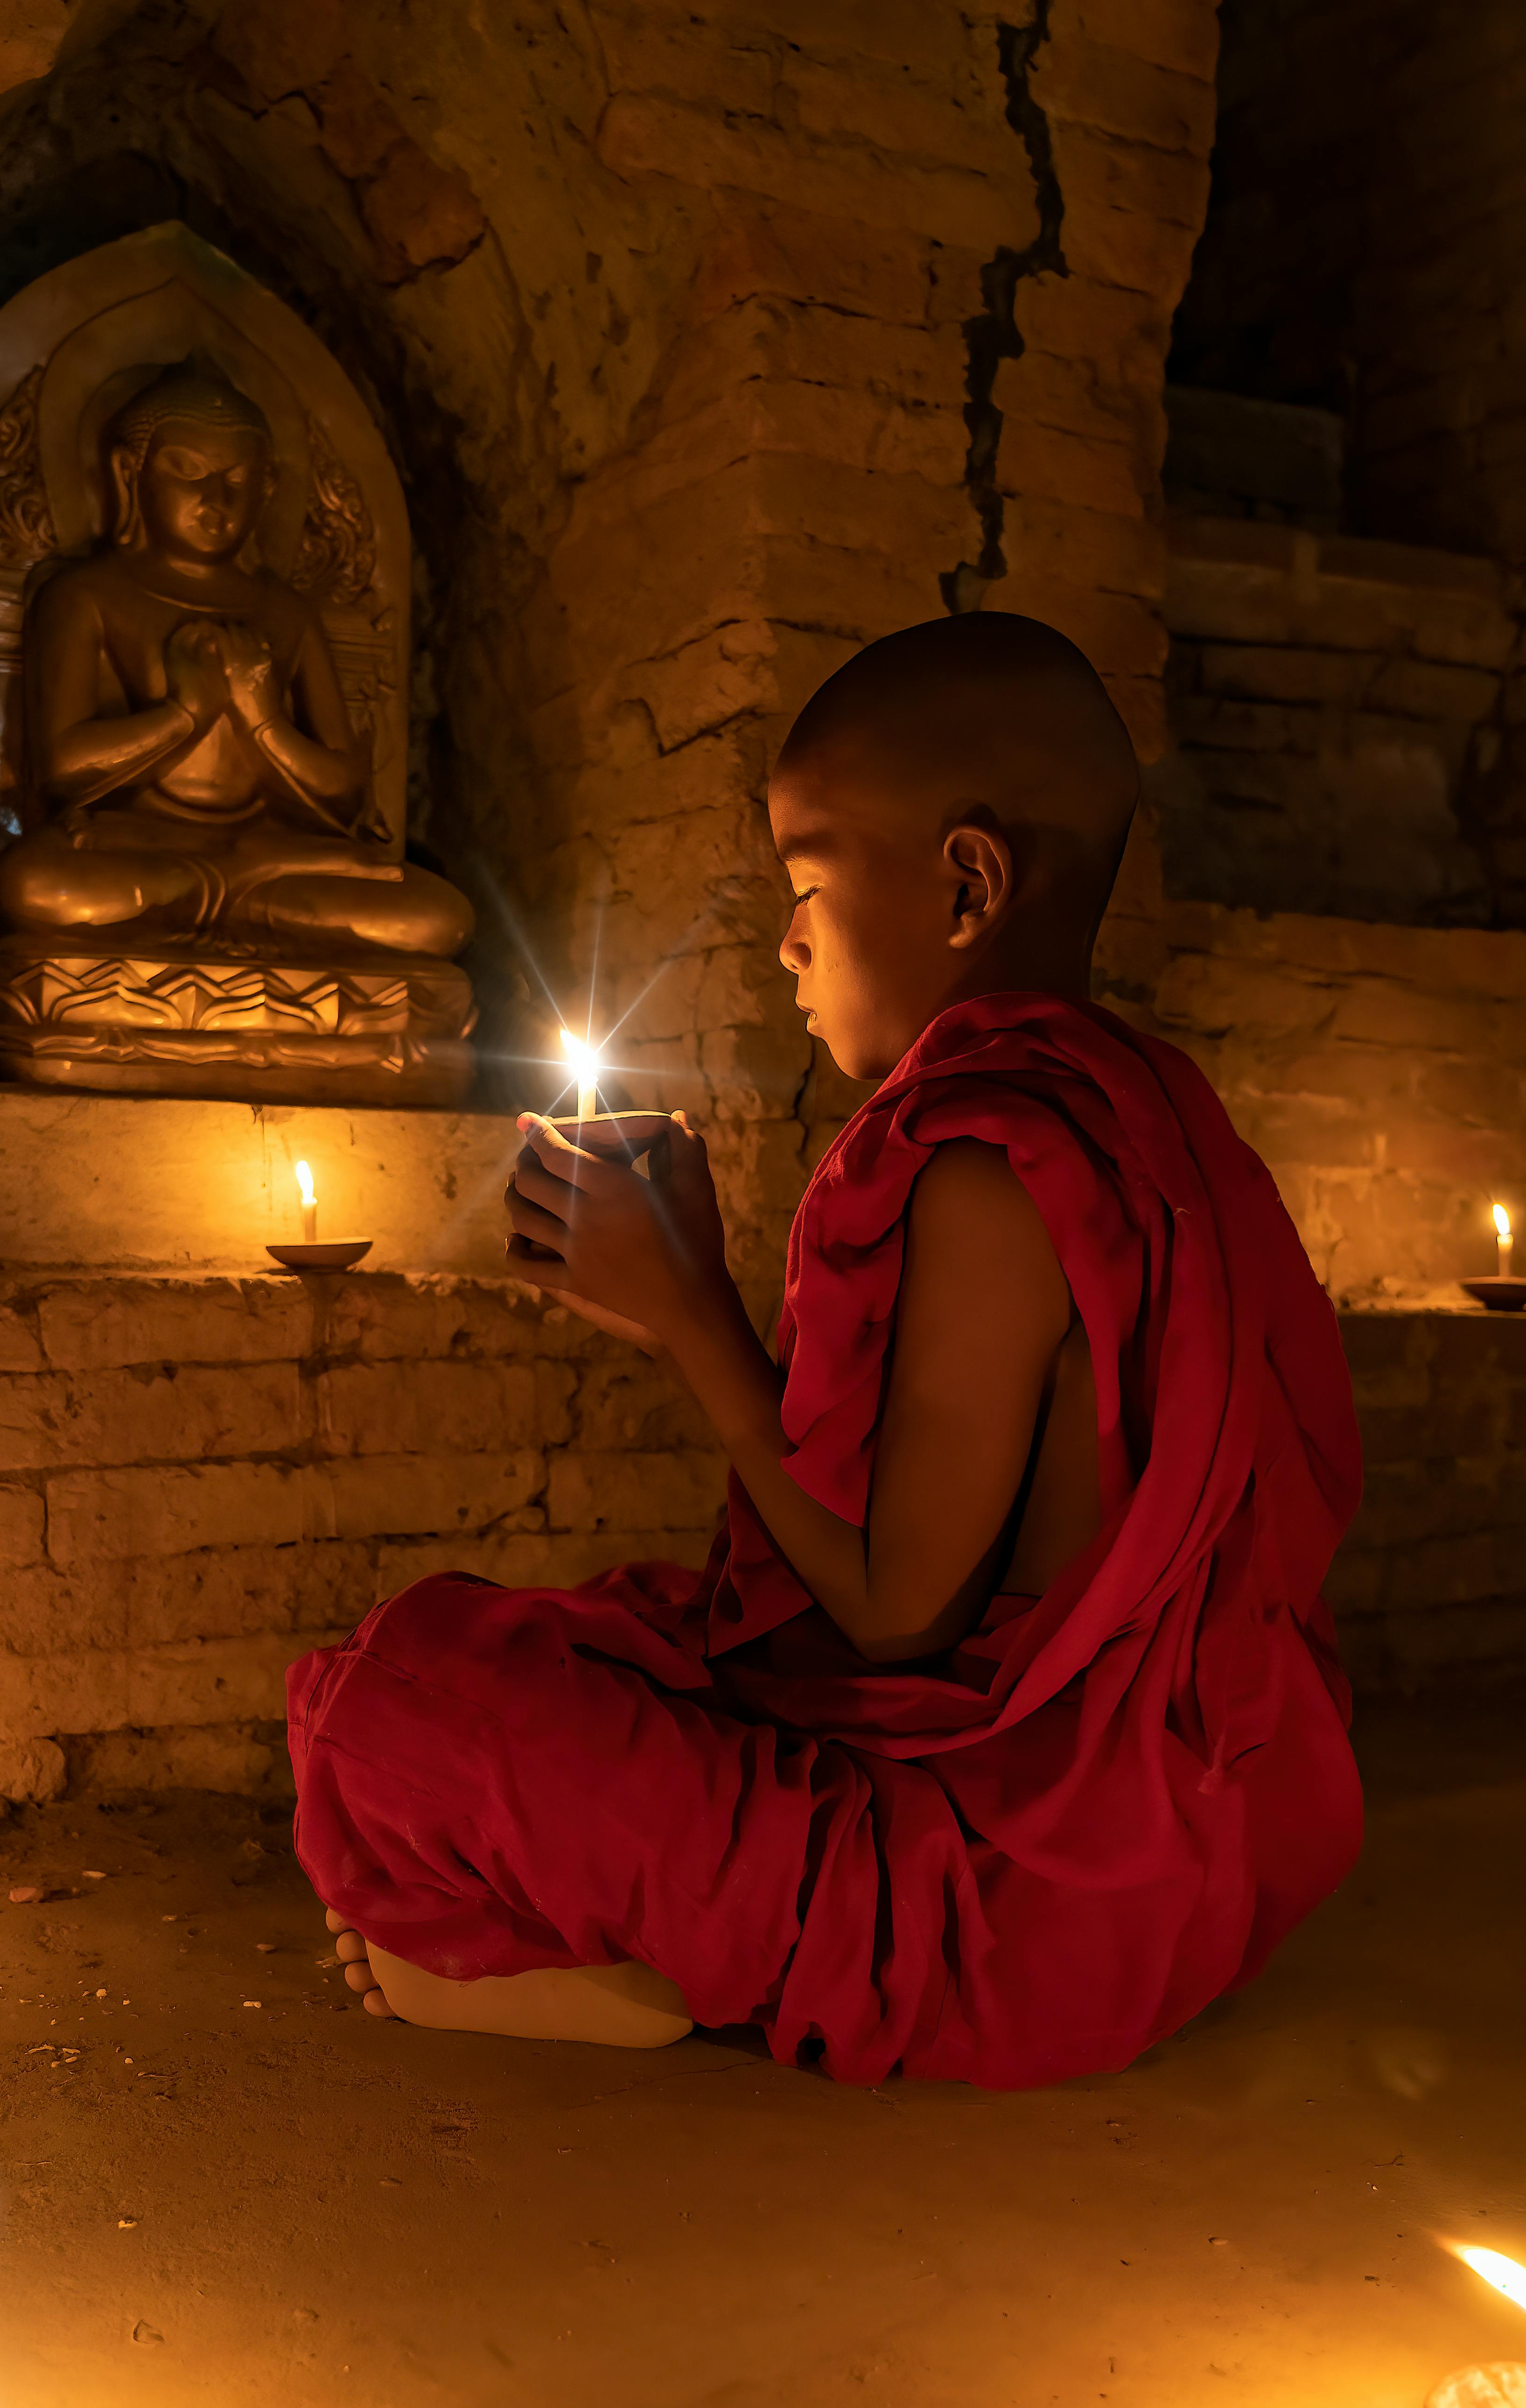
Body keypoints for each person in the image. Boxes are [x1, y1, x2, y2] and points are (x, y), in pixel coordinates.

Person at [287, 611, 1364, 2088]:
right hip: (1154, 1847)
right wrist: (686, 1287)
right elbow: (942, 1520)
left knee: (392, 1705)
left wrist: (694, 1320)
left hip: (1001, 1893)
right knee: (560, 1643)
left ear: (966, 882)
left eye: (808, 882)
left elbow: (897, 1612)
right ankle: (642, 1929)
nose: (787, 939)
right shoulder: (1138, 1108)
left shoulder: (992, 1164)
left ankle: (633, 1971)